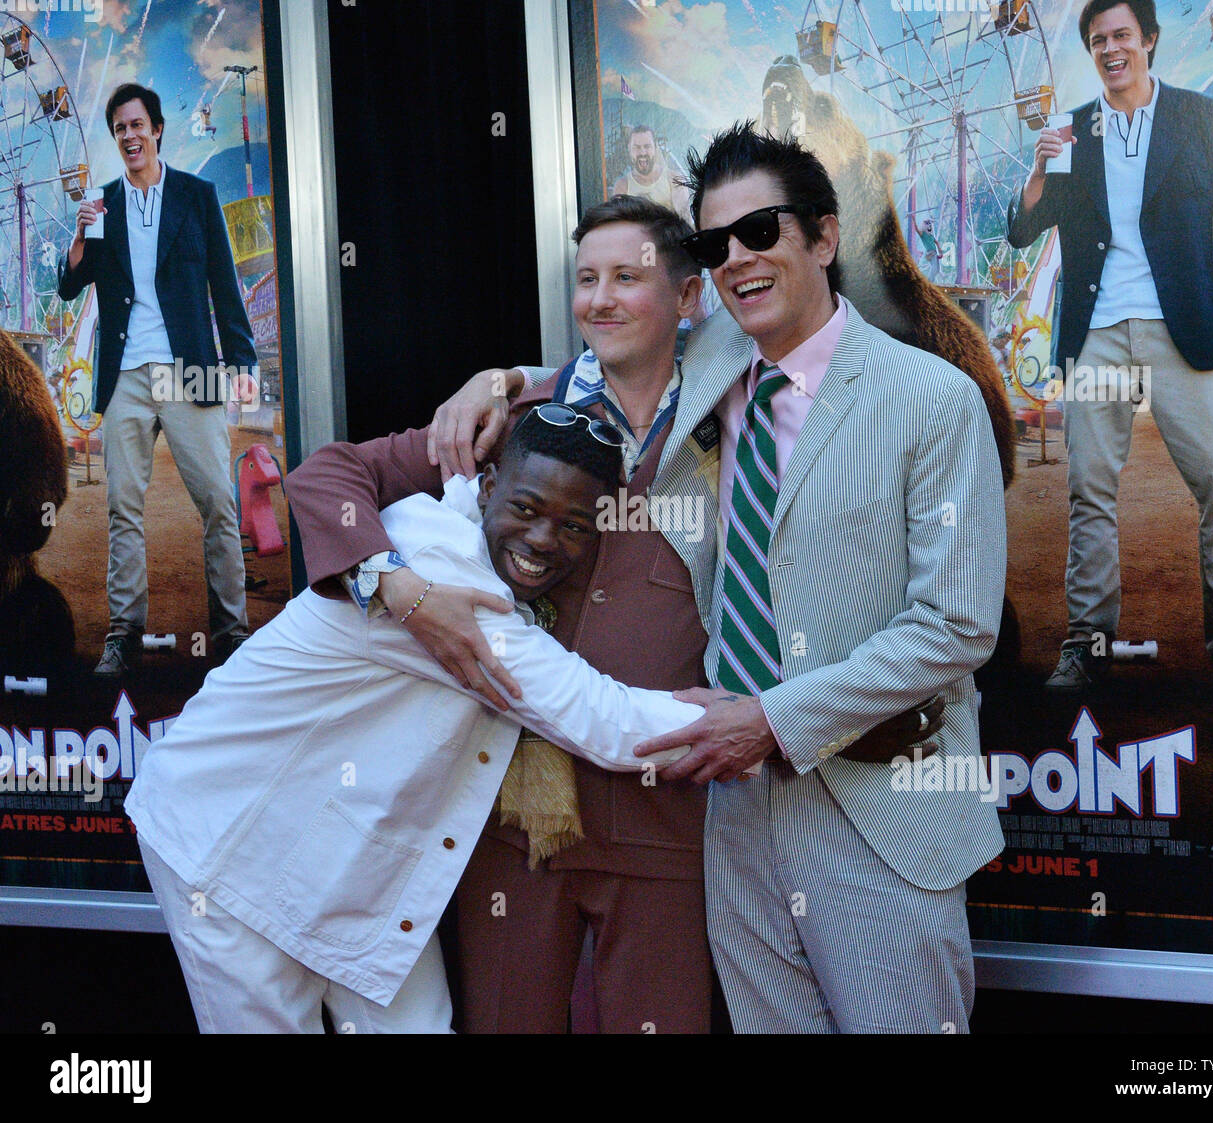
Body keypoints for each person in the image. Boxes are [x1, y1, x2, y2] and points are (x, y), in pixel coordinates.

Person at [285, 194, 940, 1033]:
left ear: (689, 298)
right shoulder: (514, 420)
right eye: (587, 278)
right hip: (513, 819)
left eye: (628, 277)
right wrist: (395, 588)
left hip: (668, 813)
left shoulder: (741, 415)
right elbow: (326, 479)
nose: (601, 298)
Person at [124, 409, 706, 1033]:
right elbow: (600, 719)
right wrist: (763, 722)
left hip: (346, 856)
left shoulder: (469, 557)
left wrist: (508, 376)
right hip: (226, 842)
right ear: (485, 487)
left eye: (574, 526)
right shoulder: (435, 561)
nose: (542, 539)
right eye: (527, 508)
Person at [613, 121, 1007, 1034]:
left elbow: (955, 626)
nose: (738, 262)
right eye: (715, 246)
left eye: (763, 232)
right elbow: (600, 369)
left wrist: (770, 721)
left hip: (877, 808)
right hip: (738, 817)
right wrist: (495, 381)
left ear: (825, 237)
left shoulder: (930, 399)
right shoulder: (711, 360)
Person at [1006, 0, 1213, 698]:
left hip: (1184, 329)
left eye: (1122, 35)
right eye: (1098, 39)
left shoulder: (1203, 119)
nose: (1111, 49)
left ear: (1149, 41)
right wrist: (1038, 174)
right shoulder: (1074, 131)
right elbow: (1022, 232)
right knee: (1089, 490)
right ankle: (1088, 643)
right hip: (1098, 335)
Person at [58, 83, 257, 677]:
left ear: (158, 129)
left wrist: (241, 365)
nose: (130, 136)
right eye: (120, 128)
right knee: (124, 508)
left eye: (138, 124)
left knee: (219, 503)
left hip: (188, 367)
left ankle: (231, 634)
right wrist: (78, 234)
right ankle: (123, 634)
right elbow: (72, 287)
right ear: (116, 138)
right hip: (126, 374)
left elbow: (225, 286)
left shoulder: (197, 196)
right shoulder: (104, 203)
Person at [612, 124, 691, 220]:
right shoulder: (622, 187)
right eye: (636, 147)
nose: (642, 152)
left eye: (647, 146)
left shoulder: (674, 180)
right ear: (629, 150)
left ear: (655, 148)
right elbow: (620, 226)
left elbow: (685, 220)